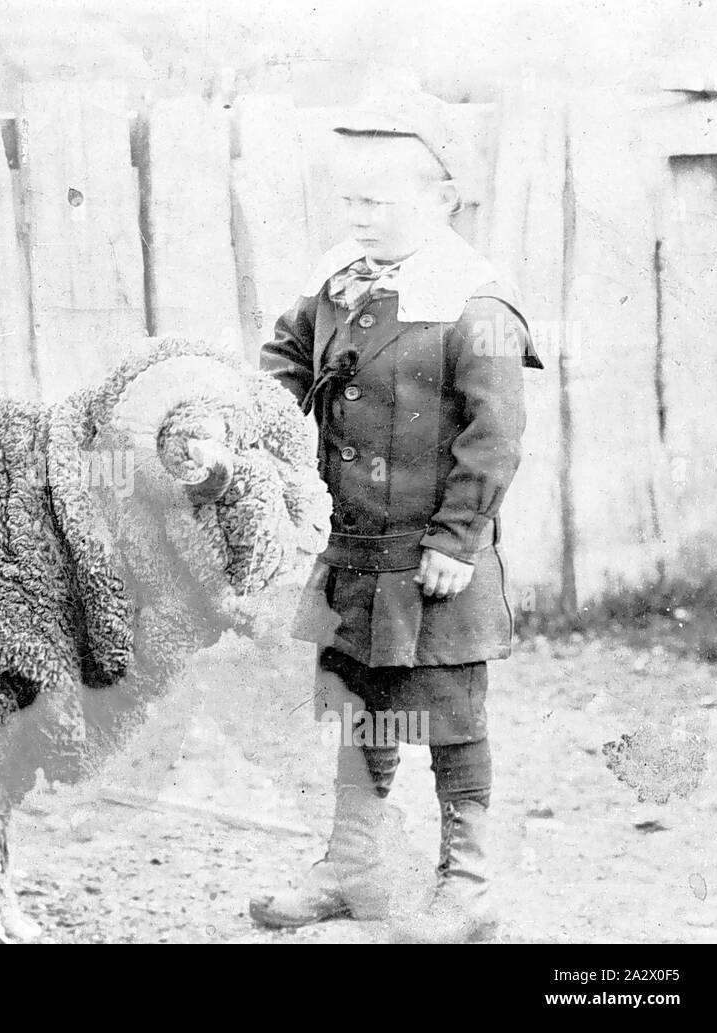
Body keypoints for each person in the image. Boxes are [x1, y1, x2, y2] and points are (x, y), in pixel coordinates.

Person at [248, 89, 542, 942]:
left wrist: (458, 538)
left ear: (440, 201)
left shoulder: (476, 304)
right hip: (355, 550)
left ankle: (470, 884)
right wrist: (260, 422)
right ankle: (352, 866)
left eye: (376, 200)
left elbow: (496, 437)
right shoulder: (338, 285)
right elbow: (285, 360)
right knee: (356, 703)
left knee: (450, 715)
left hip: (435, 556)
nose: (357, 215)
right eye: (348, 197)